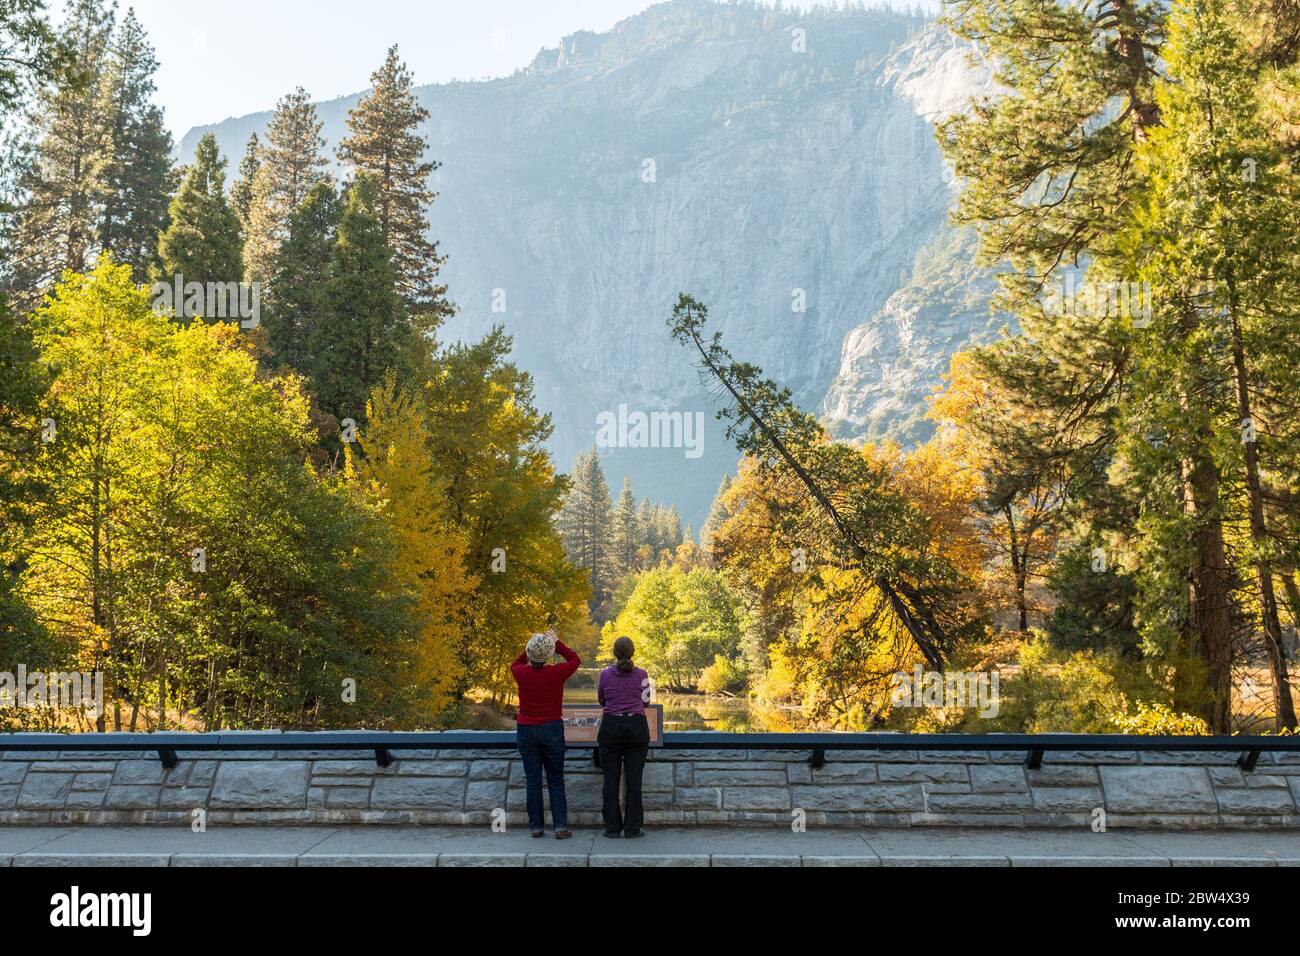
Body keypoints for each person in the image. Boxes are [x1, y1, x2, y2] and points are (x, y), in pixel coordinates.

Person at [511, 630, 580, 839]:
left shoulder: (520, 672)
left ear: (530, 654)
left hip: (526, 730)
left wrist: (530, 646)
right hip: (551, 729)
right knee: (555, 779)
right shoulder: (556, 673)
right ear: (549, 654)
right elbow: (575, 659)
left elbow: (516, 663)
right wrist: (557, 641)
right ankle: (560, 827)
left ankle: (536, 828)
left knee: (533, 781)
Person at [597, 636, 651, 838]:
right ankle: (632, 828)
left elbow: (602, 699)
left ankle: (612, 828)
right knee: (634, 779)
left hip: (611, 726)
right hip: (637, 728)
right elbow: (646, 702)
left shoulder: (605, 675)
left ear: (614, 652)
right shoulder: (643, 675)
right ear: (633, 652)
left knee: (610, 779)